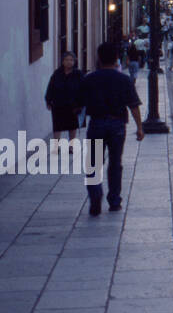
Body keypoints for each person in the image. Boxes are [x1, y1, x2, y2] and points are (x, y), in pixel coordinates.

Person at [79, 40, 145, 215]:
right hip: (117, 125)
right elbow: (133, 105)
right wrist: (139, 127)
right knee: (115, 163)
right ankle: (114, 200)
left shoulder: (89, 79)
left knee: (94, 164)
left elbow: (79, 105)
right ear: (116, 58)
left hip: (97, 123)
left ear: (99, 58)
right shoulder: (123, 80)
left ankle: (95, 197)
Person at [45, 51, 83, 146]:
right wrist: (48, 101)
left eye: (71, 60)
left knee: (72, 125)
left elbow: (83, 89)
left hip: (73, 104)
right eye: (67, 60)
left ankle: (71, 146)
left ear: (74, 62)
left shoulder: (78, 74)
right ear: (62, 61)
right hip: (58, 103)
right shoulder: (57, 74)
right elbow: (51, 87)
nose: (69, 62)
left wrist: (81, 103)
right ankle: (56, 146)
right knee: (57, 126)